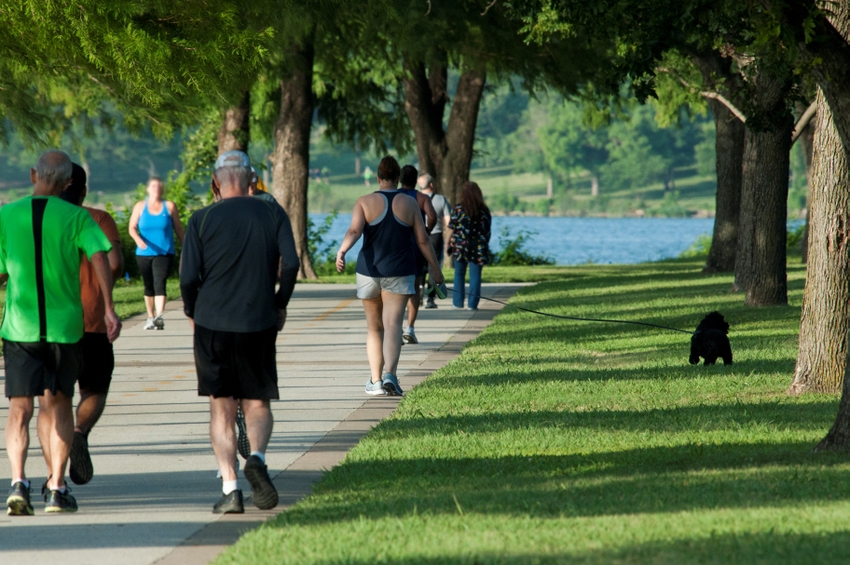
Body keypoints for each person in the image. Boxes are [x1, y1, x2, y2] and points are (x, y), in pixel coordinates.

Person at [180, 150, 299, 514]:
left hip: (212, 323)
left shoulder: (200, 220)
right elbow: (291, 263)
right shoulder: (272, 212)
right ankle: (258, 458)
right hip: (258, 321)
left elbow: (187, 278)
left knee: (222, 408)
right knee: (257, 402)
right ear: (252, 181)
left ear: (215, 182)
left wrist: (192, 310)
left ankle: (230, 489)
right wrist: (280, 302)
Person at [3, 150, 121, 516]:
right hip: (64, 328)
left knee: (20, 408)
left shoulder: (6, 215)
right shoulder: (76, 216)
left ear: (33, 173)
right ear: (69, 183)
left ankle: (18, 482)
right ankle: (56, 486)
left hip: (20, 327)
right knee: (58, 405)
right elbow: (103, 257)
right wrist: (109, 307)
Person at [335, 156, 444, 397]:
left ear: (378, 177)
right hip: (400, 271)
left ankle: (375, 381)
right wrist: (436, 270)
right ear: (397, 179)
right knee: (394, 325)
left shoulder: (364, 201)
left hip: (368, 271)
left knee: (375, 328)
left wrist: (342, 251)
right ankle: (391, 376)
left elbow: (354, 230)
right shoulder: (409, 203)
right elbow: (423, 240)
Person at [58, 164, 124, 486]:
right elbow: (114, 262)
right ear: (83, 191)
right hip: (94, 320)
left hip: (56, 324)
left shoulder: (48, 222)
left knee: (56, 395)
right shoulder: (99, 219)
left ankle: (54, 476)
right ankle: (80, 432)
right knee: (95, 388)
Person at [128, 177, 185, 330]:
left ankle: (159, 317)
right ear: (148, 189)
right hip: (144, 252)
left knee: (160, 283)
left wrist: (186, 246)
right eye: (153, 186)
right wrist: (137, 239)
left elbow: (178, 229)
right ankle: (150, 317)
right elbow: (132, 227)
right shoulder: (140, 206)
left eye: (159, 186)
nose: (156, 189)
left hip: (164, 252)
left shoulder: (170, 206)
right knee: (148, 285)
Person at [398, 165, 437, 345]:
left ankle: (396, 328)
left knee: (396, 289)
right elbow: (432, 215)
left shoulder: (394, 196)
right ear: (415, 181)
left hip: (397, 246)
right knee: (414, 288)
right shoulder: (421, 197)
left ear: (400, 179)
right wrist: (427, 229)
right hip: (416, 246)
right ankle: (410, 328)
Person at [446, 182, 491, 310]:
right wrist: (485, 244)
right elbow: (487, 230)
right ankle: (473, 304)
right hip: (478, 247)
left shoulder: (459, 208)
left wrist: (447, 243)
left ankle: (457, 302)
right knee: (475, 275)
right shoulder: (484, 210)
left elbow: (451, 228)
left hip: (461, 246)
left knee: (459, 273)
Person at [418, 173, 451, 309]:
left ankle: (418, 287)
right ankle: (430, 299)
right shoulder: (441, 199)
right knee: (433, 266)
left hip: (418, 235)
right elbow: (449, 221)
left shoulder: (415, 199)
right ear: (431, 184)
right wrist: (448, 238)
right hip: (435, 235)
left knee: (419, 264)